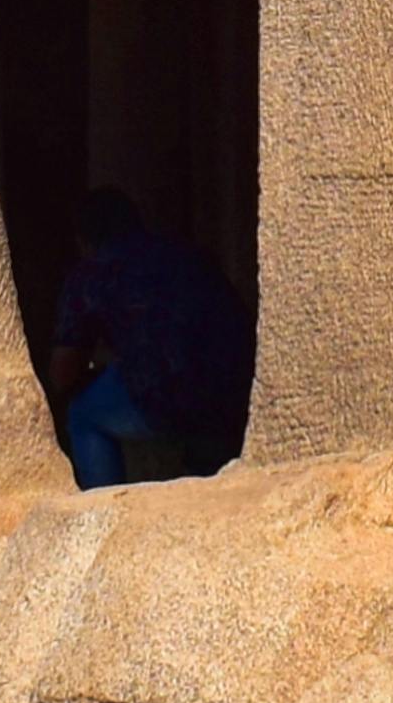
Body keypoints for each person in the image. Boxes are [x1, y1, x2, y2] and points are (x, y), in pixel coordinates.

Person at [48, 190, 250, 490]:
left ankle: (101, 505)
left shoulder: (92, 274)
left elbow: (62, 374)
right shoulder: (185, 255)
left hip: (164, 398)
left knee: (82, 414)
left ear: (83, 238)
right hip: (234, 387)